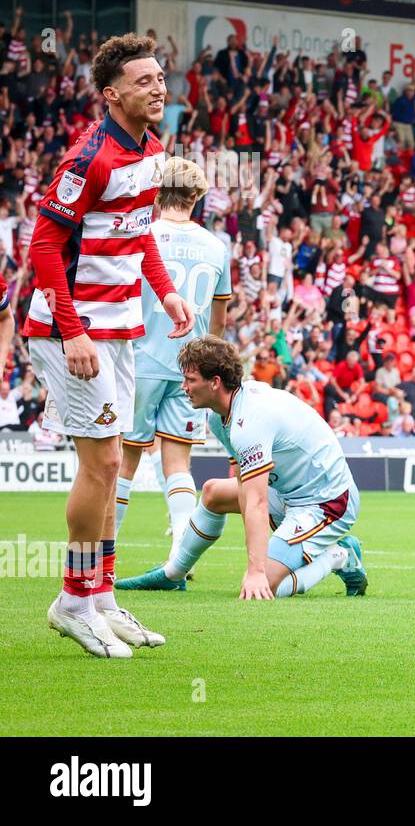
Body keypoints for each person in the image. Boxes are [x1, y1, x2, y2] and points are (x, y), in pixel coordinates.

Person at [25, 33, 195, 658]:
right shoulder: (87, 159)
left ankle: (99, 598)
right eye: (144, 81)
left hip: (119, 328)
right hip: (72, 330)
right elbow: (43, 247)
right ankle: (72, 601)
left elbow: (140, 230)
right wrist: (72, 330)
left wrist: (167, 291)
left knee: (115, 462)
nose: (158, 87)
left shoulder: (152, 151)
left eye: (160, 77)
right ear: (111, 94)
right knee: (101, 465)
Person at [119, 336, 367, 599]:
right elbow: (243, 485)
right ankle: (174, 574)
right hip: (287, 493)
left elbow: (257, 502)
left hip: (326, 501)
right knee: (213, 493)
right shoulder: (220, 415)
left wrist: (256, 570)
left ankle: (339, 556)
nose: (184, 387)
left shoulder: (249, 421)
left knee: (265, 587)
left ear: (215, 382)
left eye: (191, 380)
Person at [115, 158, 231, 577]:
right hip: (192, 371)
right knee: (178, 464)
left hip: (140, 358)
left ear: (157, 192)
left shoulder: (141, 235)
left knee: (123, 461)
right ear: (197, 196)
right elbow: (218, 324)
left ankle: (100, 561)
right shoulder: (217, 246)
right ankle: (181, 558)